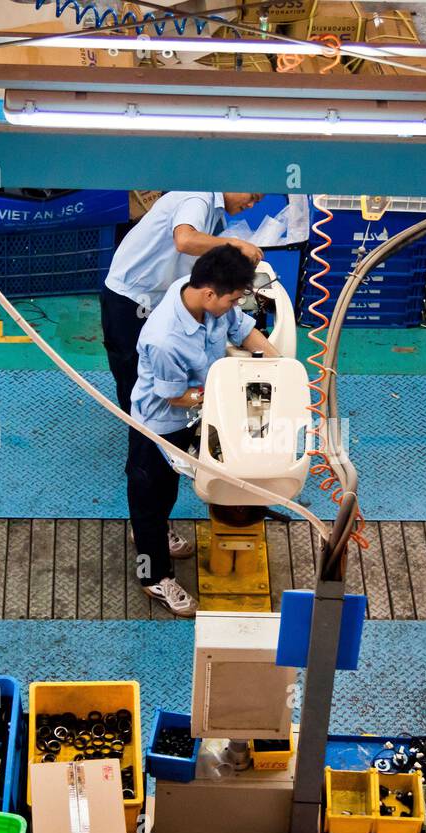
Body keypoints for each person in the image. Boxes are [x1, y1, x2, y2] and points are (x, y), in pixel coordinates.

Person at [127, 245, 279, 617]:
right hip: (159, 426)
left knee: (168, 492)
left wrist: (278, 366)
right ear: (210, 293)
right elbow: (176, 397)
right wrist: (227, 392)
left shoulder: (200, 295)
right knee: (149, 497)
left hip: (194, 414)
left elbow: (245, 332)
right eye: (231, 300)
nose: (232, 307)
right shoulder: (165, 339)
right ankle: (153, 576)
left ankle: (159, 530)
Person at [101, 192, 264, 414]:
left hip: (157, 296)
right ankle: (140, 432)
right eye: (252, 196)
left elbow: (242, 328)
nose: (252, 204)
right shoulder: (197, 200)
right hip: (131, 297)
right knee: (135, 382)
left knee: (155, 379)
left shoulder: (215, 215)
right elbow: (185, 240)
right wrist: (235, 245)